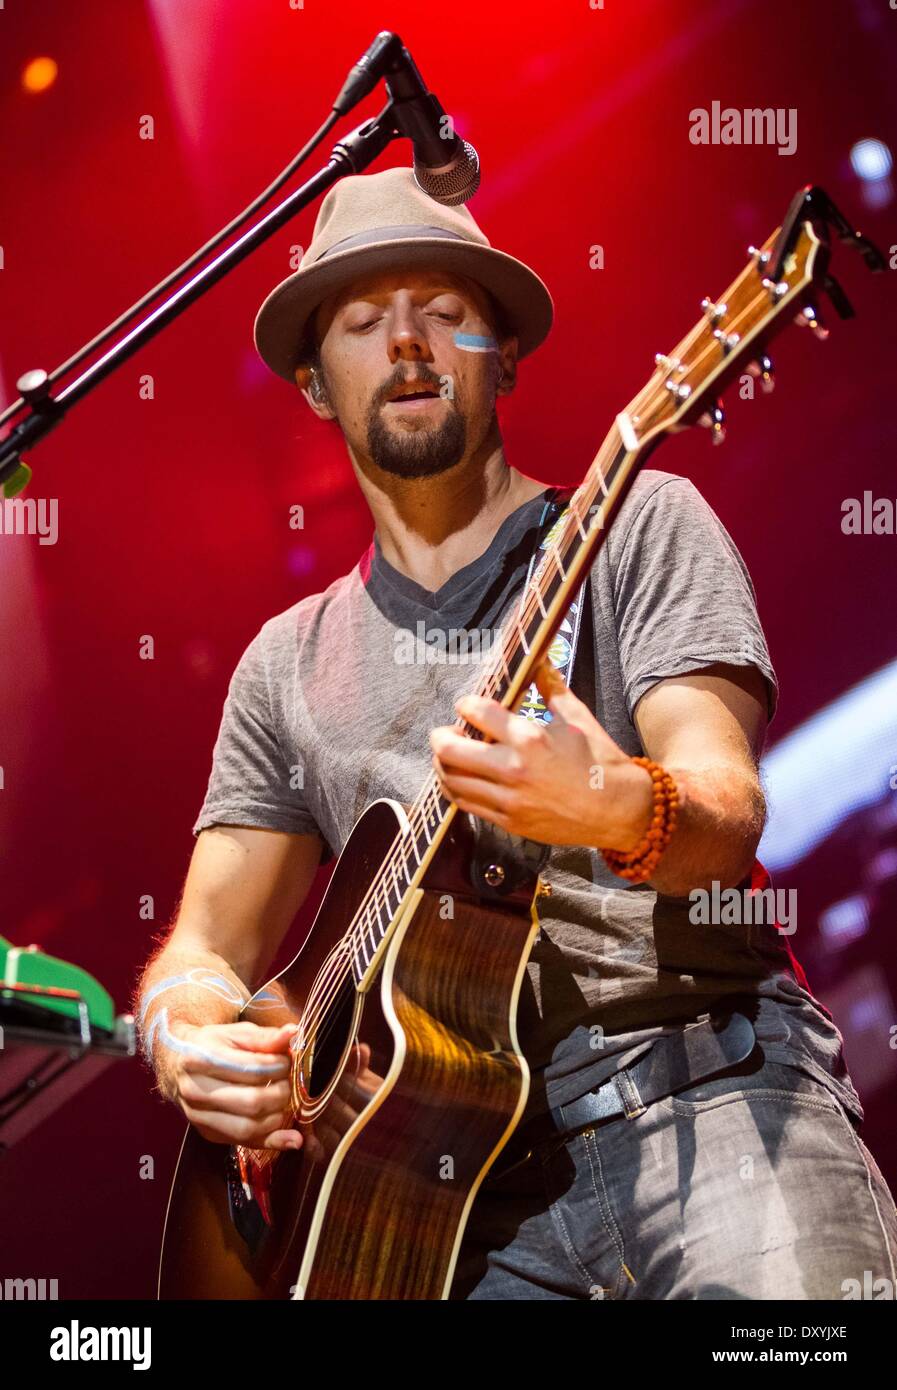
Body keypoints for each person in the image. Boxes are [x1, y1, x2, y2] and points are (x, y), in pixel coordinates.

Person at [135, 166, 897, 1300]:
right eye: (362, 321)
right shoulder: (282, 666)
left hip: (706, 1093)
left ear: (506, 356)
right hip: (444, 1209)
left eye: (446, 313)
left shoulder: (642, 523)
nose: (408, 343)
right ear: (311, 383)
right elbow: (202, 950)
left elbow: (726, 815)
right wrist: (189, 1039)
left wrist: (617, 804)